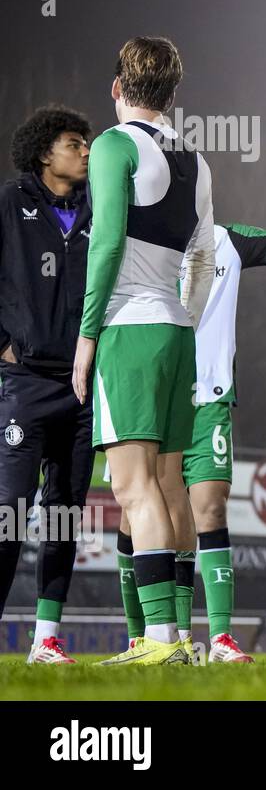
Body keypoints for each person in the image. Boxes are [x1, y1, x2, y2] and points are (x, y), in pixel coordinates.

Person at [74, 36, 216, 667]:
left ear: (116, 88)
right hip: (178, 330)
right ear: (173, 95)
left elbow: (105, 244)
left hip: (128, 328)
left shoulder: (111, 145)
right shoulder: (196, 161)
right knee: (169, 487)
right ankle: (178, 635)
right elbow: (204, 258)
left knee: (133, 491)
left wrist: (86, 338)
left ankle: (159, 640)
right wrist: (183, 318)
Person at [115, 222, 266, 663]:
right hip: (151, 397)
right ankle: (147, 637)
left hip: (209, 397)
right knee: (140, 514)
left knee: (210, 508)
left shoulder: (224, 240)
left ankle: (220, 639)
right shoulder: (131, 237)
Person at [0, 105, 95, 663]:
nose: (85, 151)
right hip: (26, 384)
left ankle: (46, 640)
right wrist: (4, 347)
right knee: (10, 513)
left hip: (83, 385)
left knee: (63, 513)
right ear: (44, 153)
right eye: (73, 143)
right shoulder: (11, 202)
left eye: (86, 143)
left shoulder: (98, 206)